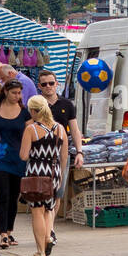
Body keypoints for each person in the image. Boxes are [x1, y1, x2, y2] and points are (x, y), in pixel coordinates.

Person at [19, 94, 67, 256]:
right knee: (49, 209)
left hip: (36, 172)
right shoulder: (60, 128)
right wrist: (60, 177)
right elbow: (64, 156)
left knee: (37, 211)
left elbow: (24, 156)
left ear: (33, 111)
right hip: (54, 172)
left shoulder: (31, 129)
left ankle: (40, 251)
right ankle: (48, 237)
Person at [36, 71, 82, 244]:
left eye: (51, 83)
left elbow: (75, 130)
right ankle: (45, 228)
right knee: (42, 193)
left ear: (57, 84)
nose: (48, 86)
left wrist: (79, 151)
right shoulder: (36, 104)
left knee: (57, 193)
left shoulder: (67, 104)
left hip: (61, 153)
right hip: (40, 155)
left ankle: (50, 228)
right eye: (44, 84)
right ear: (39, 86)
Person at [0, 79, 28, 249]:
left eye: (19, 93)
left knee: (13, 197)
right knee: (2, 195)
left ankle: (9, 231)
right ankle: (2, 234)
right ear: (6, 92)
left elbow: (30, 134)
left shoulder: (24, 113)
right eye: (14, 93)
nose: (18, 96)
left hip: (18, 160)